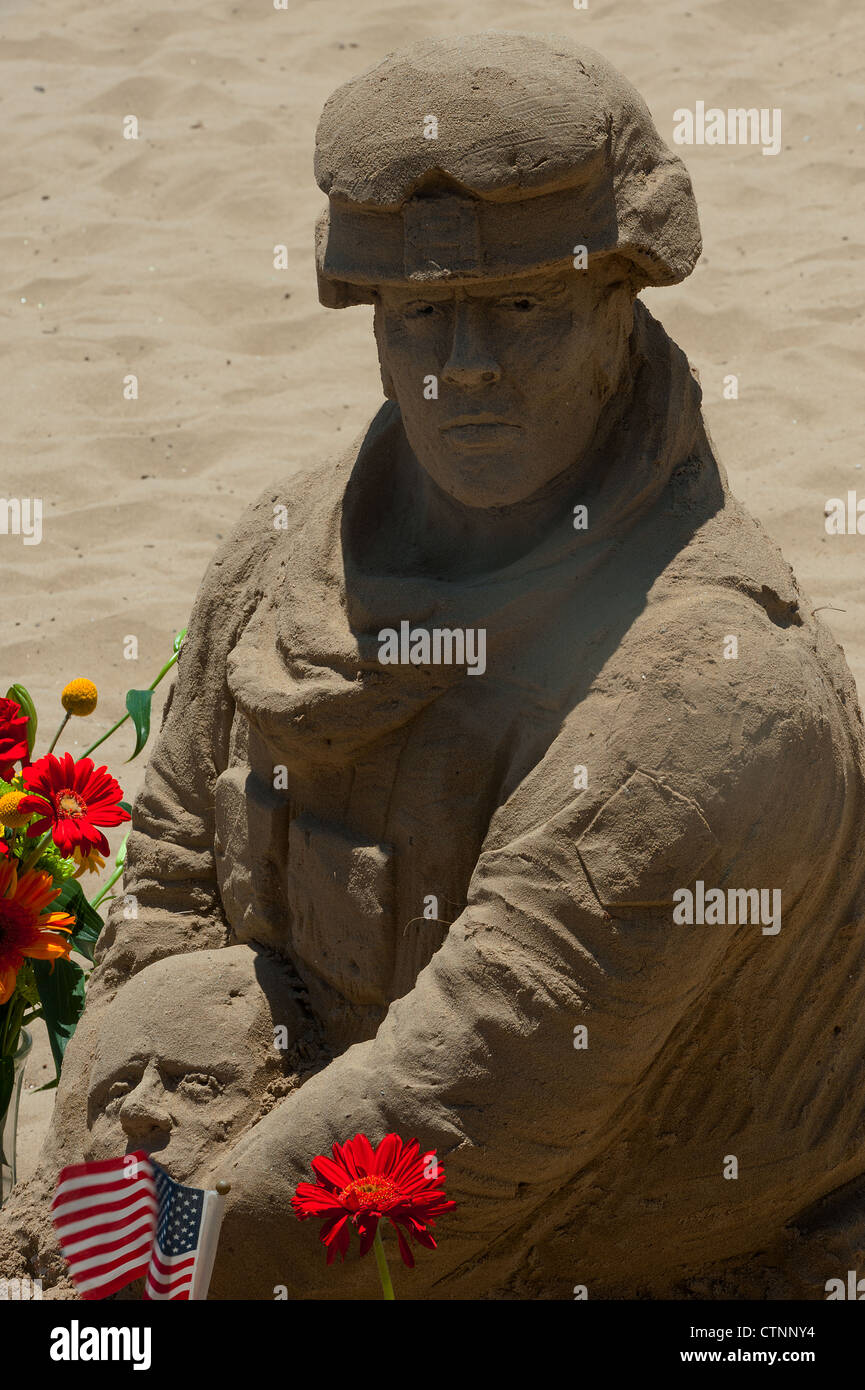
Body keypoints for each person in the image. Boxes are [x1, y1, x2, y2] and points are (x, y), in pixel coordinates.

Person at [4, 31, 865, 1300]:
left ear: (618, 300)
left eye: (523, 307)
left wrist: (137, 1289)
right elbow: (170, 884)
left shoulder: (711, 687)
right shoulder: (283, 554)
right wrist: (97, 1192)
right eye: (419, 314)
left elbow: (462, 1115)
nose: (462, 366)